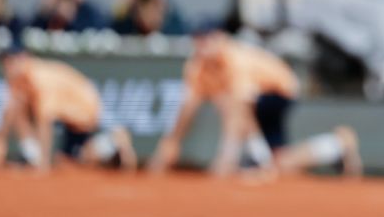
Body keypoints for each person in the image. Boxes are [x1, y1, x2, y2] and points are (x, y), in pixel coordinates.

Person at [149, 29, 362, 178]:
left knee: (228, 102)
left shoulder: (235, 59)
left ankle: (253, 160)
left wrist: (227, 157)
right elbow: (188, 106)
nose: (203, 45)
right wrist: (171, 143)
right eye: (199, 39)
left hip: (279, 92)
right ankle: (336, 145)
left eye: (208, 38)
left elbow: (240, 107)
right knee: (280, 163)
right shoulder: (196, 65)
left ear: (220, 38)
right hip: (257, 100)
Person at [0, 43, 136, 173]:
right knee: (19, 109)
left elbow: (45, 121)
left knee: (80, 158)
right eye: (4, 63)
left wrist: (44, 165)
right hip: (66, 117)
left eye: (10, 61)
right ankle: (32, 155)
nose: (6, 66)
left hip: (83, 113)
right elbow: (10, 112)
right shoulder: (17, 80)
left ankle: (114, 141)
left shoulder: (40, 78)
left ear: (23, 58)